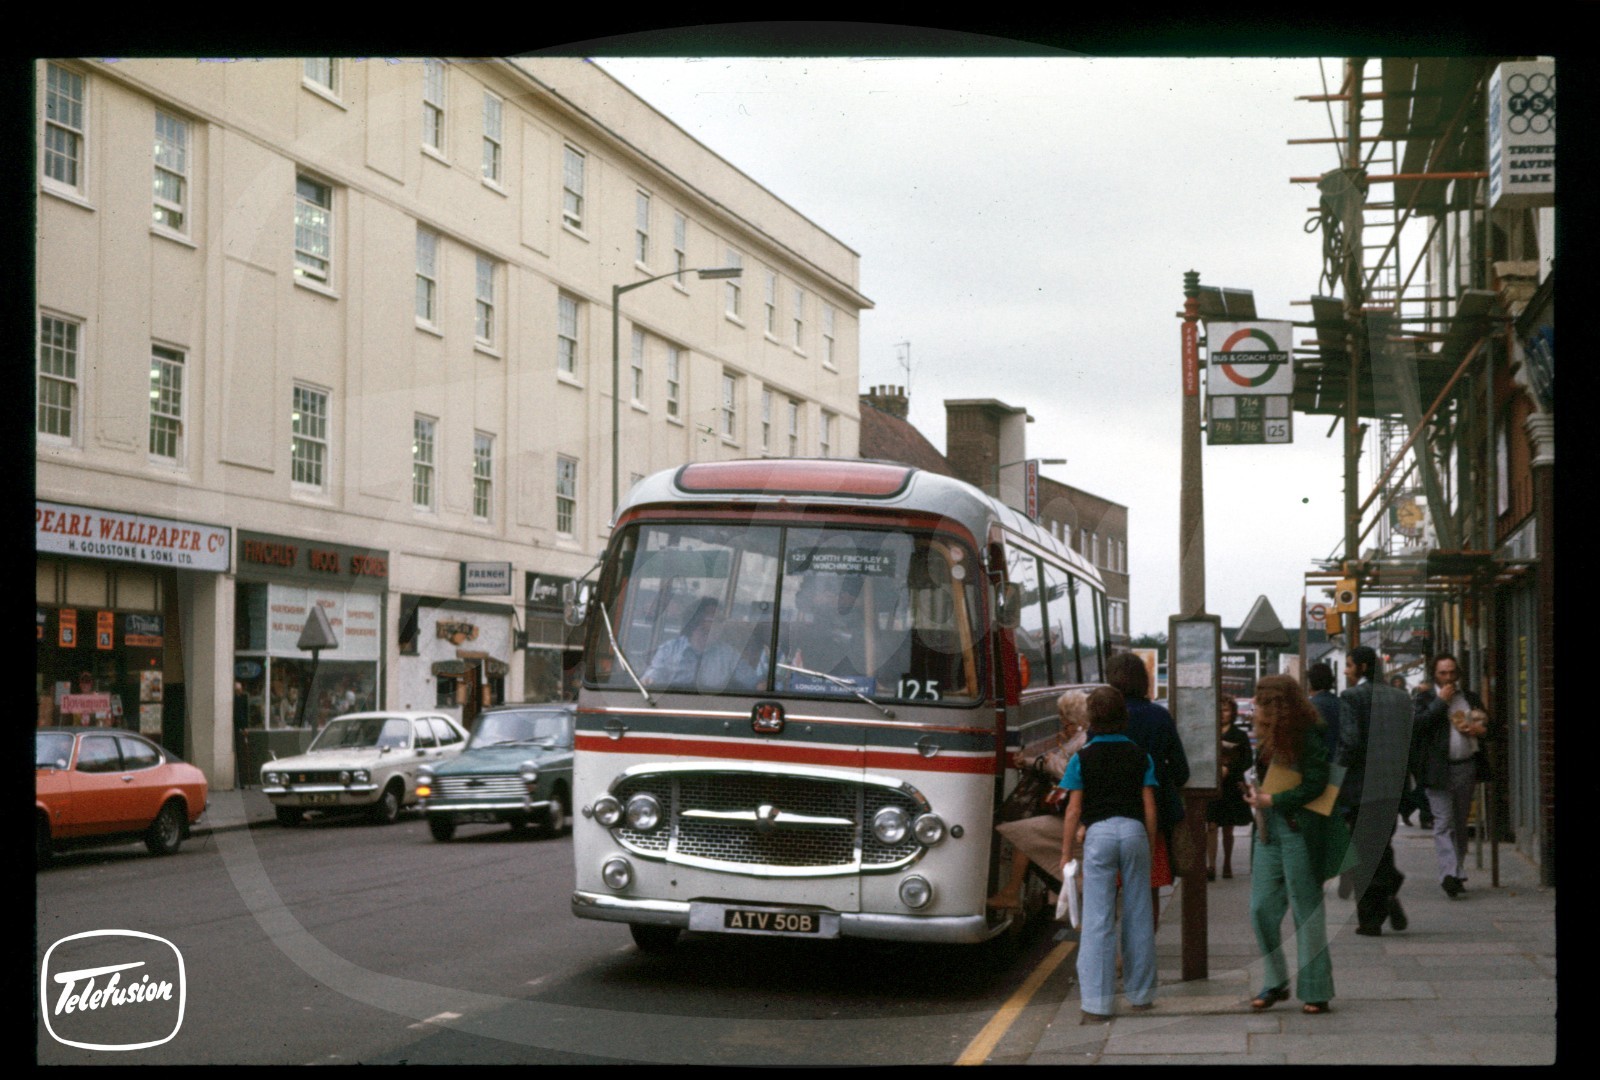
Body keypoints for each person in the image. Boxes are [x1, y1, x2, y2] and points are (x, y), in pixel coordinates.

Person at [1057, 685, 1159, 1023]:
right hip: (1134, 832)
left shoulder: (1081, 758)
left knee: (1098, 920)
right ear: (1124, 717)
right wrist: (1150, 841)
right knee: (1138, 913)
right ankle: (1141, 996)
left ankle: (1097, 1007)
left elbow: (1073, 810)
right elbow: (1149, 805)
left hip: (1098, 836)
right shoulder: (1139, 754)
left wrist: (1066, 852)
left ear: (1090, 718)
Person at [1242, 674, 1339, 1016]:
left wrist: (1275, 799)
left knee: (1305, 908)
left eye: (1262, 700)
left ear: (1279, 704)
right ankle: (1275, 980)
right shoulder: (1265, 736)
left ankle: (1316, 989)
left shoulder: (1307, 732)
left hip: (1300, 828)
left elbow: (1317, 782)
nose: (1256, 706)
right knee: (1260, 907)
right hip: (1268, 831)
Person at [1106, 651, 1189, 929]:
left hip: (1107, 816)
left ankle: (1115, 953)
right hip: (1151, 821)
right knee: (1148, 889)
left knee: (1108, 890)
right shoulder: (1159, 716)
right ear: (1144, 680)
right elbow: (1181, 771)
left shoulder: (1104, 717)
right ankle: (1140, 953)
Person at [987, 690, 1090, 911]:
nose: (1063, 724)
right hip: (1075, 815)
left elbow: (1063, 769)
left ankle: (1016, 891)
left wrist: (1036, 762)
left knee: (1024, 833)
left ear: (1079, 721)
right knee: (1029, 833)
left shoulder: (1083, 739)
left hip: (1077, 818)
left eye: (1066, 721)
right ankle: (1018, 891)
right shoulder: (1080, 737)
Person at [1335, 645, 1413, 936]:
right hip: (1393, 785)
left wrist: (1335, 779)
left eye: (1349, 665)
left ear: (1363, 668)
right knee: (1381, 844)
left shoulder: (1352, 697)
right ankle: (1388, 888)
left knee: (1363, 851)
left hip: (1360, 786)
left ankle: (1370, 917)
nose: (1346, 670)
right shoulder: (1400, 697)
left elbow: (1349, 742)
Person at [1411, 654, 1490, 898]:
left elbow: (1490, 726)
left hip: (1465, 766)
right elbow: (1417, 726)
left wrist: (1480, 729)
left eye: (1452, 673)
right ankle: (1449, 874)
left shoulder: (1469, 698)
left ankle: (1457, 869)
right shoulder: (1425, 699)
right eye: (1443, 673)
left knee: (1459, 822)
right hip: (1437, 770)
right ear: (1434, 674)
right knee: (1443, 822)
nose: (1448, 678)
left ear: (1458, 674)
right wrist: (1440, 703)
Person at [641, 598, 753, 691]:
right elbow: (652, 677)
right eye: (718, 620)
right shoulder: (669, 650)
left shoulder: (729, 655)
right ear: (698, 621)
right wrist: (648, 681)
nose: (722, 625)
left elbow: (754, 682)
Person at [1205, 694, 1254, 880]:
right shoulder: (1210, 733)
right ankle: (1211, 865)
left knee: (1228, 827)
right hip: (1213, 784)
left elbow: (1248, 759)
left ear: (1232, 712)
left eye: (1225, 710)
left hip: (1231, 785)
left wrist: (1229, 768)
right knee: (1211, 825)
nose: (1222, 714)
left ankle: (1227, 863)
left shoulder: (1239, 735)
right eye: (1218, 710)